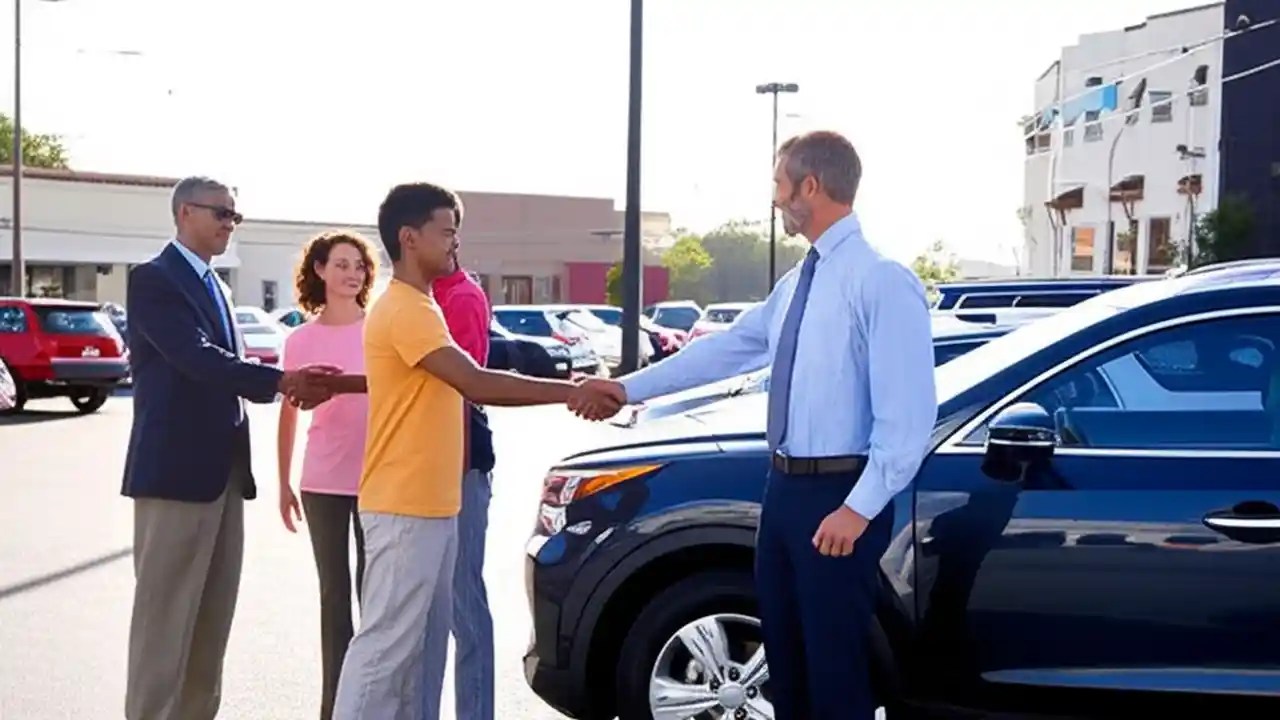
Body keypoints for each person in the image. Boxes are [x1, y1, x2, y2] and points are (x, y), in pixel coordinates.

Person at [573, 131, 937, 720]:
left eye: (779, 183)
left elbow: (909, 418)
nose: (774, 198)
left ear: (810, 187)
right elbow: (727, 351)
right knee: (789, 670)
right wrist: (625, 389)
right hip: (786, 493)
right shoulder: (795, 285)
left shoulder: (881, 281)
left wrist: (859, 508)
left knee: (835, 674)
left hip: (839, 498)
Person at [330, 182, 619, 720]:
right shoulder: (406, 309)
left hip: (432, 504)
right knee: (386, 648)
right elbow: (477, 383)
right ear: (409, 238)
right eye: (446, 232)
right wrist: (570, 391)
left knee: (415, 650)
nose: (454, 243)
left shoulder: (422, 306)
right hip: (402, 506)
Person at [122, 176, 340, 720]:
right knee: (164, 623)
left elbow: (221, 368)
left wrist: (285, 383)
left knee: (210, 625)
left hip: (224, 475)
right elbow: (194, 358)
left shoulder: (217, 285)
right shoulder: (154, 279)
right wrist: (284, 381)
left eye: (234, 216)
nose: (229, 224)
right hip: (174, 477)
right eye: (221, 213)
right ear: (184, 213)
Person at [276, 230, 379, 720]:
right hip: (322, 483)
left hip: (380, 480)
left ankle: (371, 703)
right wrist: (282, 483)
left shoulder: (380, 331)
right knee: (334, 598)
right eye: (341, 264)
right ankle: (333, 709)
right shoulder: (300, 338)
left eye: (358, 265)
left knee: (375, 598)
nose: (351, 273)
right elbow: (289, 414)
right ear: (319, 270)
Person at [419, 253, 497, 720]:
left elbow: (463, 390)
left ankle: (475, 712)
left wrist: (454, 472)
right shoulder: (420, 297)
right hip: (428, 465)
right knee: (430, 606)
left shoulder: (460, 298)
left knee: (463, 599)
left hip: (460, 464)